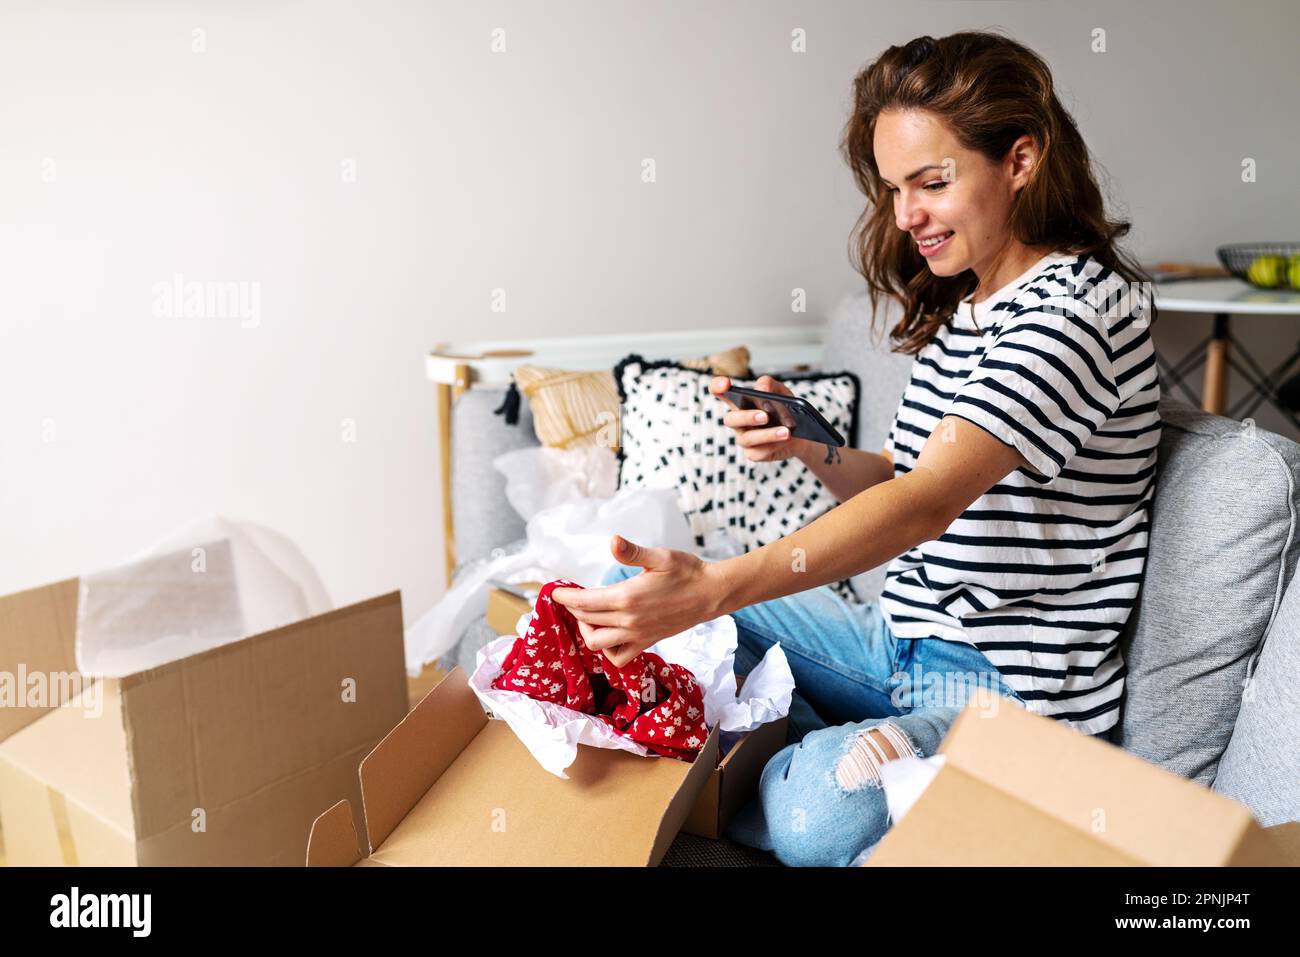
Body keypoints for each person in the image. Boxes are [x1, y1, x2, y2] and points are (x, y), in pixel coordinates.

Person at [553, 30, 1161, 867]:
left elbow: (926, 502)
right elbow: (907, 477)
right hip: (893, 640)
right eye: (894, 188)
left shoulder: (1078, 314)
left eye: (932, 183)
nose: (906, 215)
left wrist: (716, 590)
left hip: (1004, 698)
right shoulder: (972, 304)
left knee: (815, 819)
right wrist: (815, 447)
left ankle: (777, 759)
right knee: (623, 591)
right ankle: (814, 744)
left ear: (1020, 161)